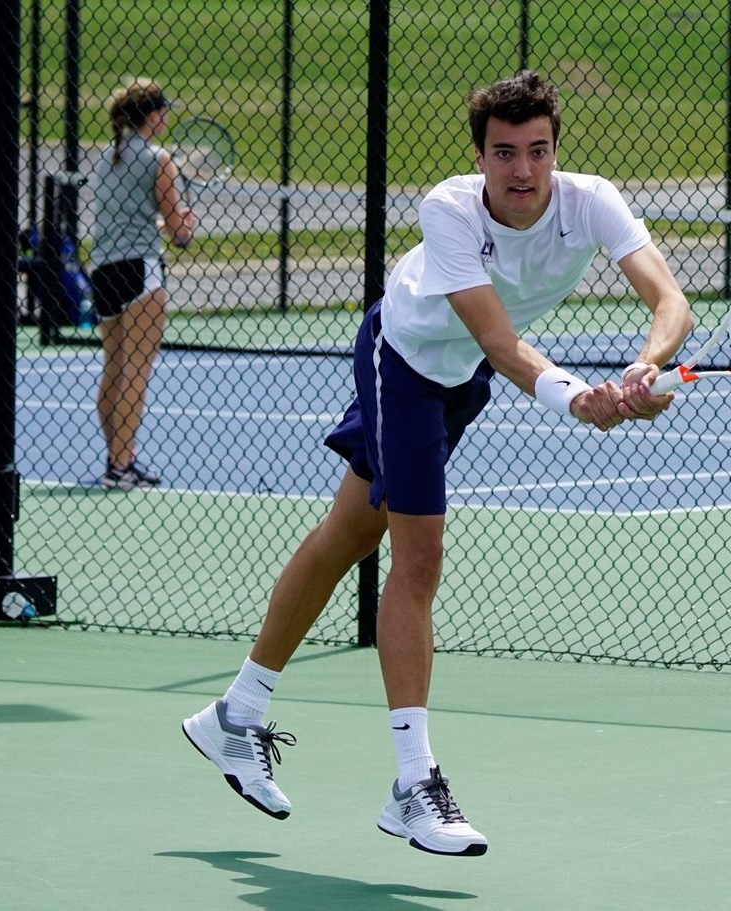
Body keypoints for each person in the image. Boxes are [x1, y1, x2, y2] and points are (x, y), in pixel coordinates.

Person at [180, 70, 693, 857]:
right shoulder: (449, 209)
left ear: (557, 148)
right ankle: (414, 784)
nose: (523, 171)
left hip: (461, 382)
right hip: (407, 363)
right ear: (481, 156)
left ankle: (234, 714)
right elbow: (497, 338)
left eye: (538, 151)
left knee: (349, 531)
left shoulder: (591, 199)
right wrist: (574, 399)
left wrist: (645, 368)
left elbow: (670, 303)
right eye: (505, 153)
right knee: (418, 558)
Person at [88, 79, 195, 490]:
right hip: (140, 270)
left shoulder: (105, 158)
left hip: (103, 271)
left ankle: (117, 460)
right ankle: (120, 465)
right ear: (153, 116)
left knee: (114, 367)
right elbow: (177, 230)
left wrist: (167, 221)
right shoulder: (159, 158)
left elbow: (131, 215)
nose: (167, 117)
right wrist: (184, 225)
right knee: (137, 369)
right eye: (164, 111)